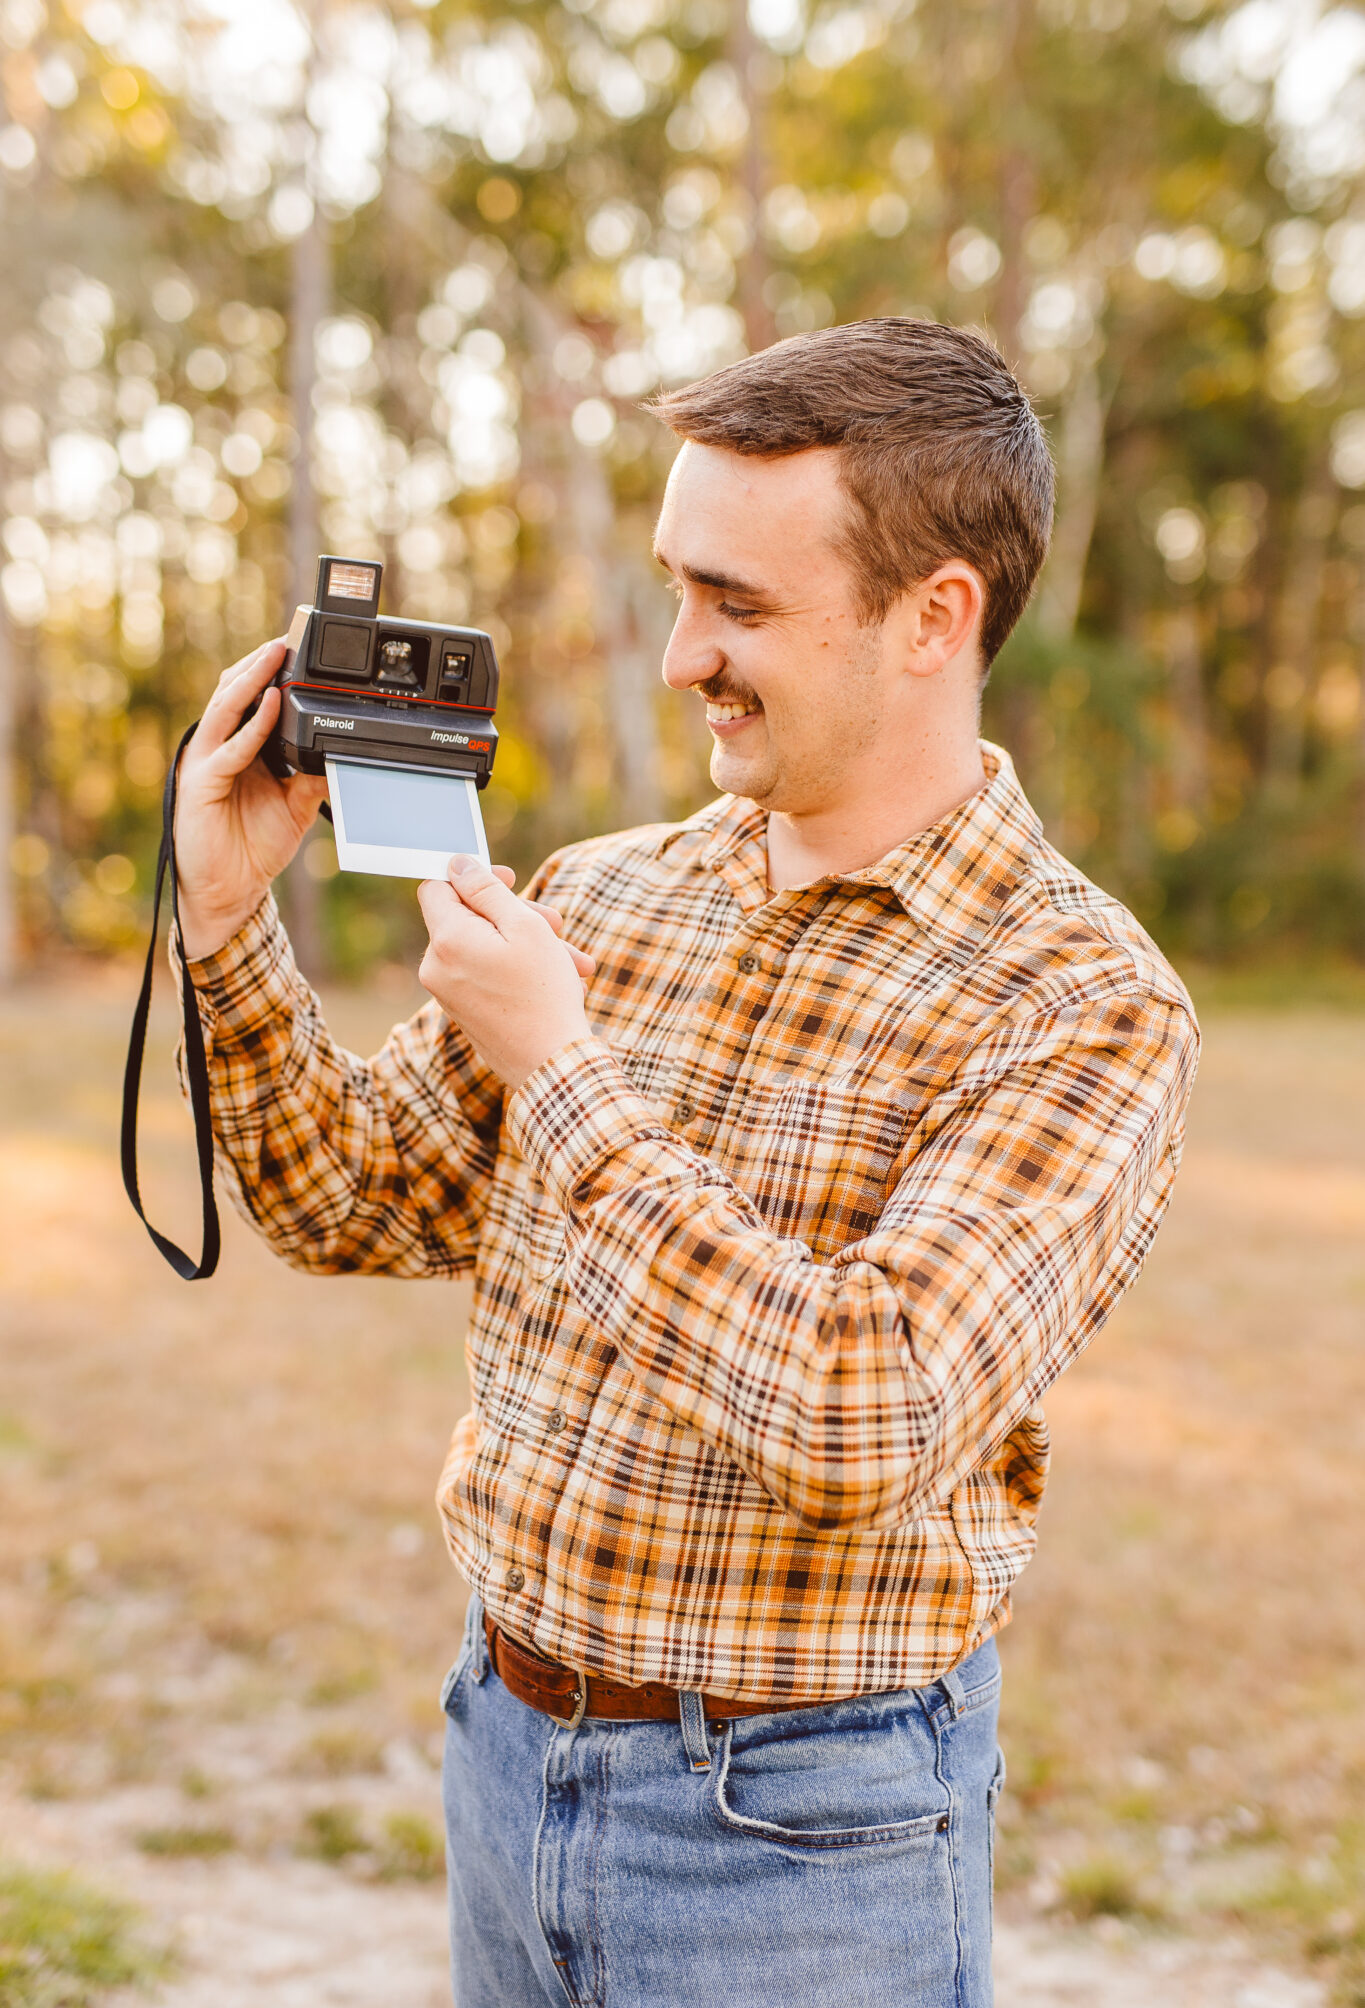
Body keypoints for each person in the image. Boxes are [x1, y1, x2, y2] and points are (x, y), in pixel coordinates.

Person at [171, 317, 1198, 2008]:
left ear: (932, 616)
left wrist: (561, 1072)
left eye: (739, 605)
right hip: (504, 1750)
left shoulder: (1079, 1005)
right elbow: (344, 1199)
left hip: (802, 1835)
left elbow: (856, 1416)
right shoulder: (606, 895)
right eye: (675, 588)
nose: (676, 656)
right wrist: (223, 920)